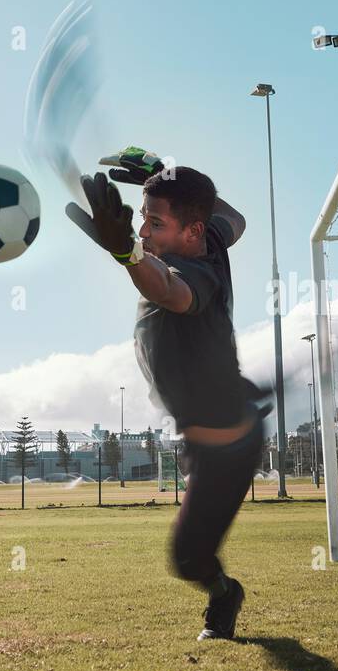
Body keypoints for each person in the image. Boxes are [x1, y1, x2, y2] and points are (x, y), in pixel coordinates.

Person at [67, 146, 266, 640]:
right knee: (188, 555)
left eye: (154, 223)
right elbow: (234, 217)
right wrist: (163, 174)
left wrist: (128, 255)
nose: (142, 231)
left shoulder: (193, 273)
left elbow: (168, 291)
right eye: (141, 220)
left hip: (230, 444)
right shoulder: (212, 239)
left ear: (190, 231)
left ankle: (225, 593)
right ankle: (220, 586)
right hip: (205, 438)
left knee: (187, 558)